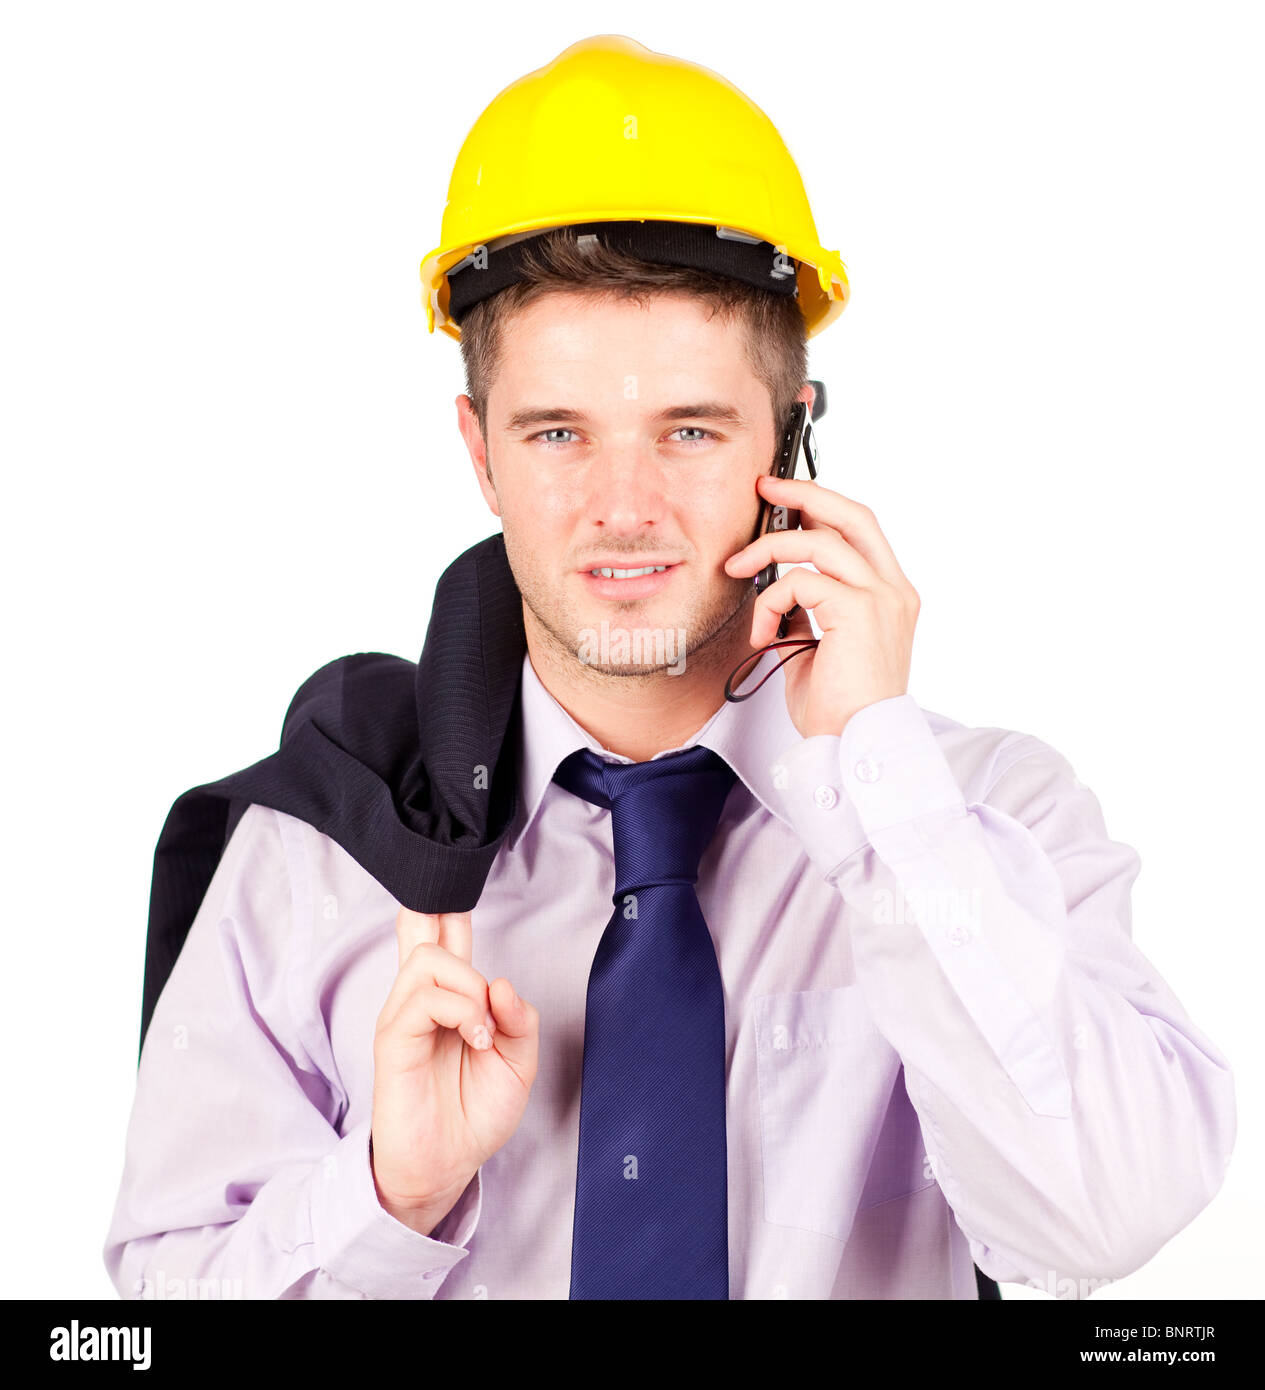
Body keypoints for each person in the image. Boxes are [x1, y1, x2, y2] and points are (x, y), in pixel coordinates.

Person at [103, 35, 1235, 1301]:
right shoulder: (316, 856)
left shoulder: (983, 823)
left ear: (793, 432)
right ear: (479, 451)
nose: (621, 506)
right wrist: (387, 1194)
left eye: (687, 430)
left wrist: (882, 776)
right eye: (557, 433)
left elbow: (1100, 1225)